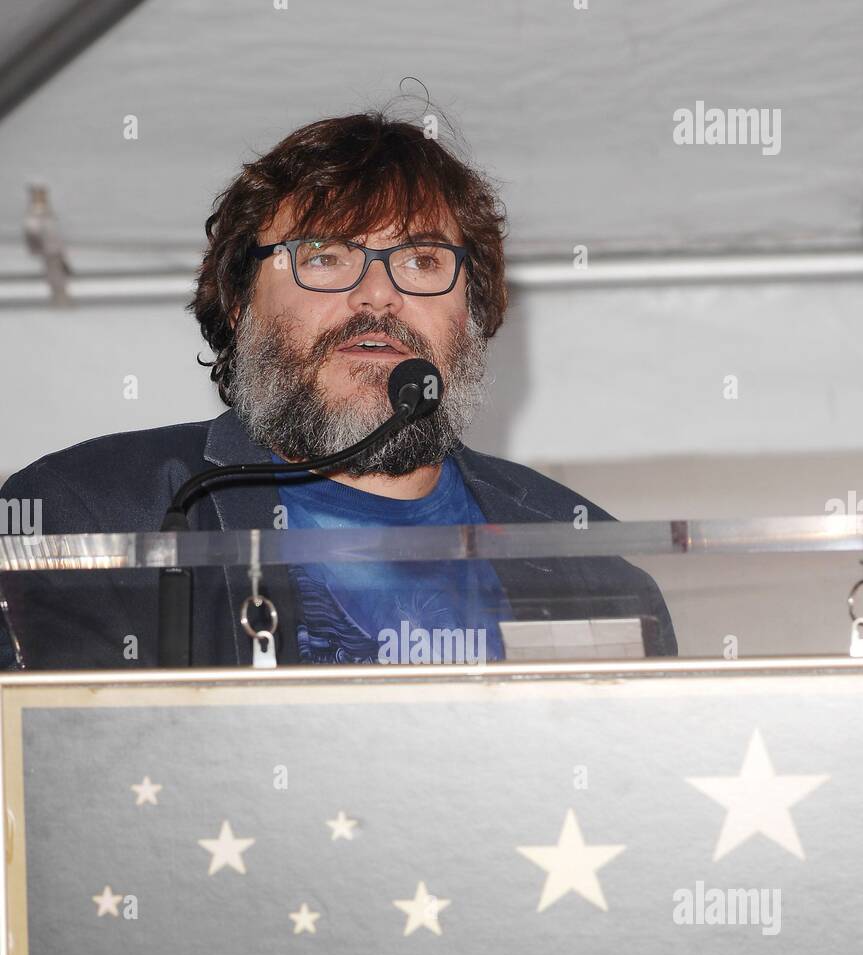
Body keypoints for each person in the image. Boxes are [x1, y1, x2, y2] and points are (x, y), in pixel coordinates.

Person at [0, 109, 676, 669]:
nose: (377, 294)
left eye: (421, 259)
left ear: (470, 313)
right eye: (324, 257)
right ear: (239, 301)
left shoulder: (583, 554)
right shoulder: (86, 515)